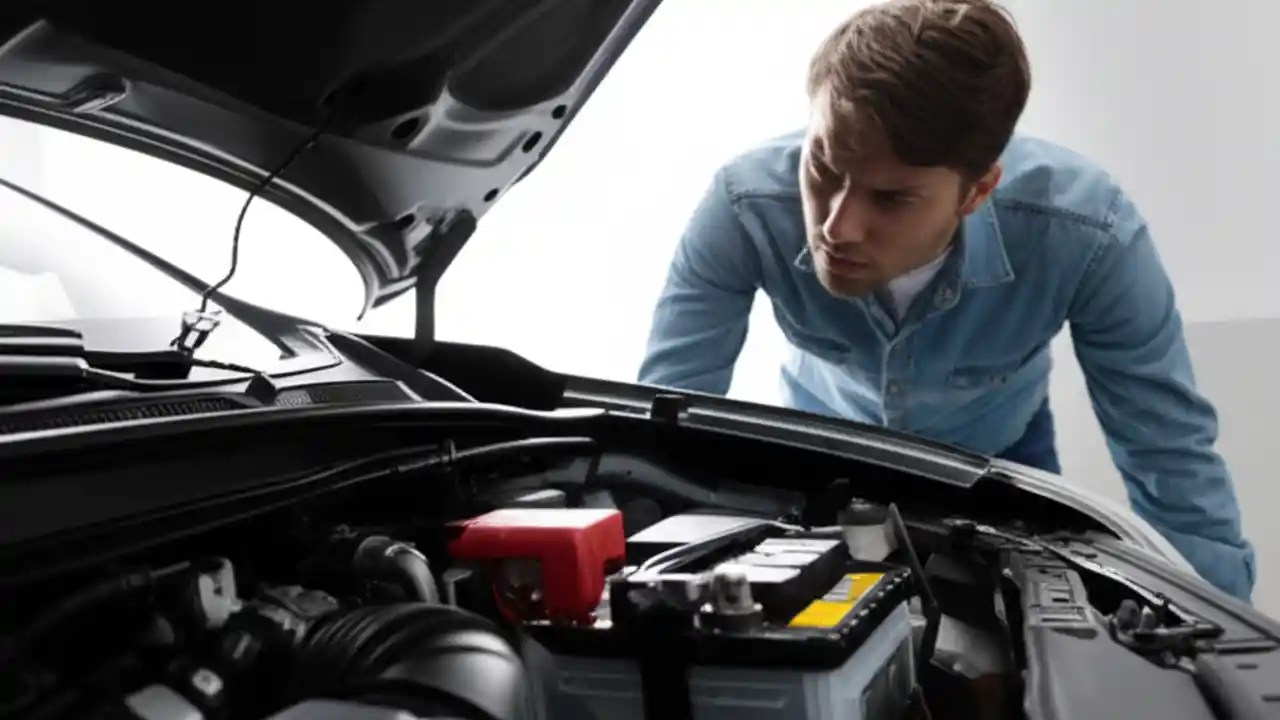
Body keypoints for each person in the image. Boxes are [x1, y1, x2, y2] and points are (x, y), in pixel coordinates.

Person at [637, 0, 1255, 601]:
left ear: (977, 190)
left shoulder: (1089, 234)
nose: (836, 227)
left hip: (1002, 462)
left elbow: (1166, 451)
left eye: (891, 199)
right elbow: (669, 421)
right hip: (817, 456)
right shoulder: (744, 204)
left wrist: (1225, 645)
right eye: (824, 166)